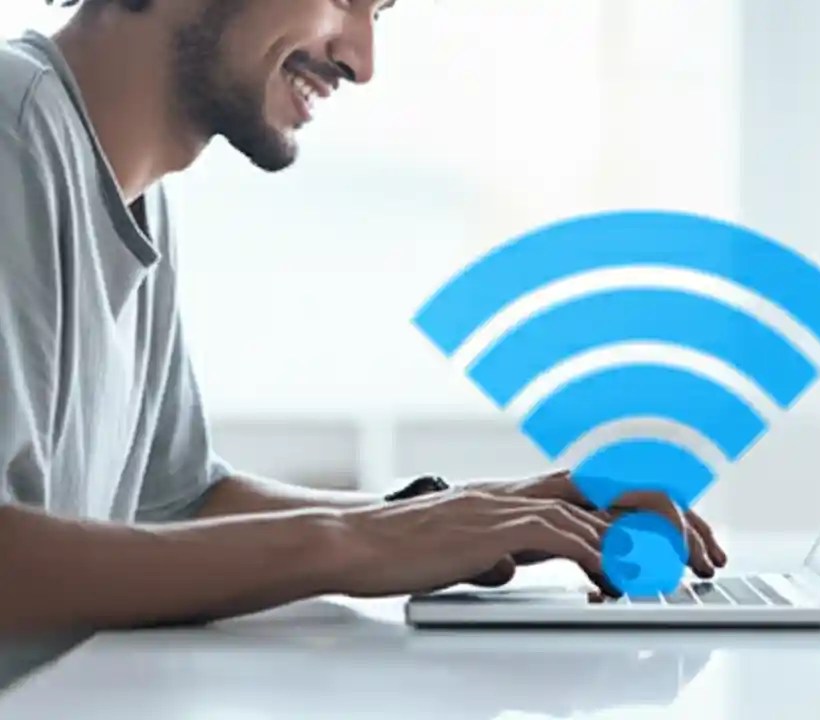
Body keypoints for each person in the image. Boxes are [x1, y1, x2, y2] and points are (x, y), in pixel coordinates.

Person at [0, 0, 727, 690]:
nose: (363, 58)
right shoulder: (13, 127)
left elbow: (173, 506)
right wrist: (351, 546)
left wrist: (452, 518)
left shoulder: (132, 194)